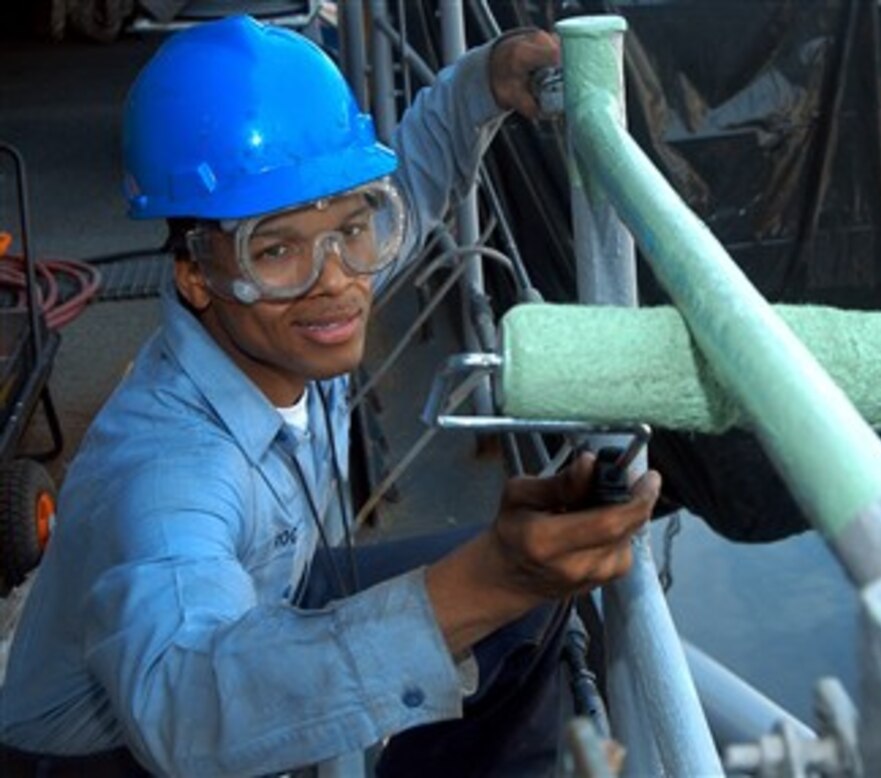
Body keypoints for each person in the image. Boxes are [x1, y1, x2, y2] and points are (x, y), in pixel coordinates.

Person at [0, 15, 660, 777]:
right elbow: (185, 708)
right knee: (492, 593)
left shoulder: (290, 310)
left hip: (266, 592)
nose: (339, 280)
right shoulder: (170, 472)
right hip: (99, 753)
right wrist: (486, 578)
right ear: (196, 273)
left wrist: (486, 80)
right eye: (275, 247)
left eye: (354, 228)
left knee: (530, 609)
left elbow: (410, 179)